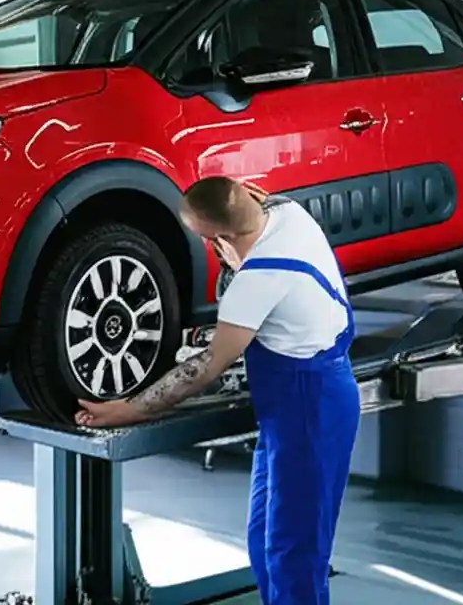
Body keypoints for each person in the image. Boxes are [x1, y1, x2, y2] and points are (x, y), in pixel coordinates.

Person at [74, 176, 360, 605]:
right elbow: (249, 194)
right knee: (266, 542)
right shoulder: (287, 212)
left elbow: (207, 366)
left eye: (203, 239)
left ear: (221, 239)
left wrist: (129, 409)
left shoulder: (259, 279)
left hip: (310, 405)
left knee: (295, 555)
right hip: (293, 408)